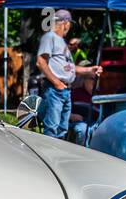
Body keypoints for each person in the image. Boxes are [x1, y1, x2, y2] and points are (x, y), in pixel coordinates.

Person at [36, 10, 102, 139]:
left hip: (65, 89)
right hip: (55, 89)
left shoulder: (61, 41)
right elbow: (40, 61)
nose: (69, 27)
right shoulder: (50, 37)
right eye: (69, 24)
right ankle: (48, 155)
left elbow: (68, 68)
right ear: (65, 23)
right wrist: (56, 82)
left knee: (62, 128)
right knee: (52, 127)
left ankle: (57, 156)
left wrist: (89, 70)